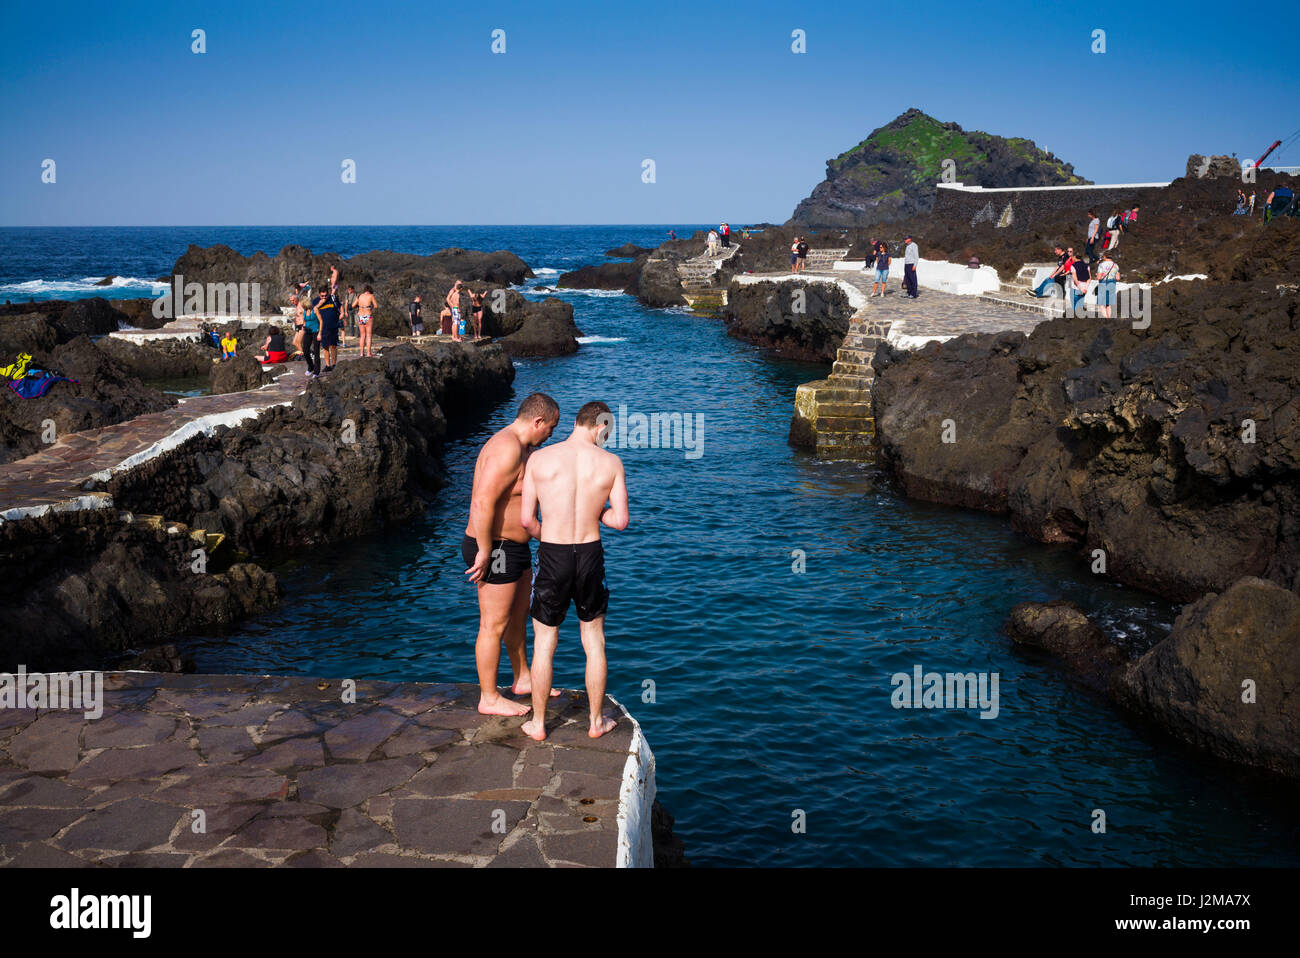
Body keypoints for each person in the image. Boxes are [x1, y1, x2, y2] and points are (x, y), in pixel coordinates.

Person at [519, 400, 629, 742]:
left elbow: (526, 521)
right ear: (600, 426)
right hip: (590, 555)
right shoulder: (610, 463)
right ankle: (596, 722)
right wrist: (594, 512)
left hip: (553, 554)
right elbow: (621, 521)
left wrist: (550, 532)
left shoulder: (540, 459)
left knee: (545, 642)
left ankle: (538, 724)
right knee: (594, 640)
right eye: (607, 432)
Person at [463, 393, 561, 716]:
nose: (551, 434)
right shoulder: (506, 448)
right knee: (493, 623)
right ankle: (488, 697)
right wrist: (485, 551)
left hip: (515, 547)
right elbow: (482, 501)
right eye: (550, 428)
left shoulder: (524, 448)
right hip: (494, 547)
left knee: (518, 619)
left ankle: (523, 679)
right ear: (537, 421)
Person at [317, 288, 341, 372]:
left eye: (325, 295)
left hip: (333, 326)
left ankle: (334, 364)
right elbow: (314, 311)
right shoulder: (316, 301)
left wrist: (342, 314)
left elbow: (340, 306)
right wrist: (320, 304)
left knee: (333, 346)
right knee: (325, 347)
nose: (324, 297)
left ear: (328, 294)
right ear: (319, 294)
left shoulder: (333, 299)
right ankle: (327, 365)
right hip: (323, 327)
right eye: (322, 296)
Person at [302, 293, 322, 378]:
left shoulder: (315, 309)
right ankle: (311, 367)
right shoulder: (304, 311)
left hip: (316, 331)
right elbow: (305, 321)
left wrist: (320, 333)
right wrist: (303, 326)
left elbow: (321, 321)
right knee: (305, 350)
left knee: (316, 351)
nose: (303, 307)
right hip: (308, 331)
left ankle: (316, 372)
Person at [1094, 251, 1119, 319]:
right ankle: (1109, 318)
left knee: (1101, 303)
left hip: (1103, 284)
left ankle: (1106, 318)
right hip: (1112, 284)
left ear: (1105, 256)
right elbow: (1118, 278)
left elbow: (1099, 277)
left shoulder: (1101, 265)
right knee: (1108, 304)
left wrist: (1098, 275)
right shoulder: (1115, 265)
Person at [354, 285, 377, 358]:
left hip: (360, 315)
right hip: (368, 315)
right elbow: (376, 306)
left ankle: (361, 353)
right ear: (370, 290)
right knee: (369, 335)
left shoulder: (359, 296)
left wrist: (360, 306)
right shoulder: (371, 296)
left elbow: (353, 305)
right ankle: (368, 353)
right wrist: (370, 307)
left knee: (362, 335)